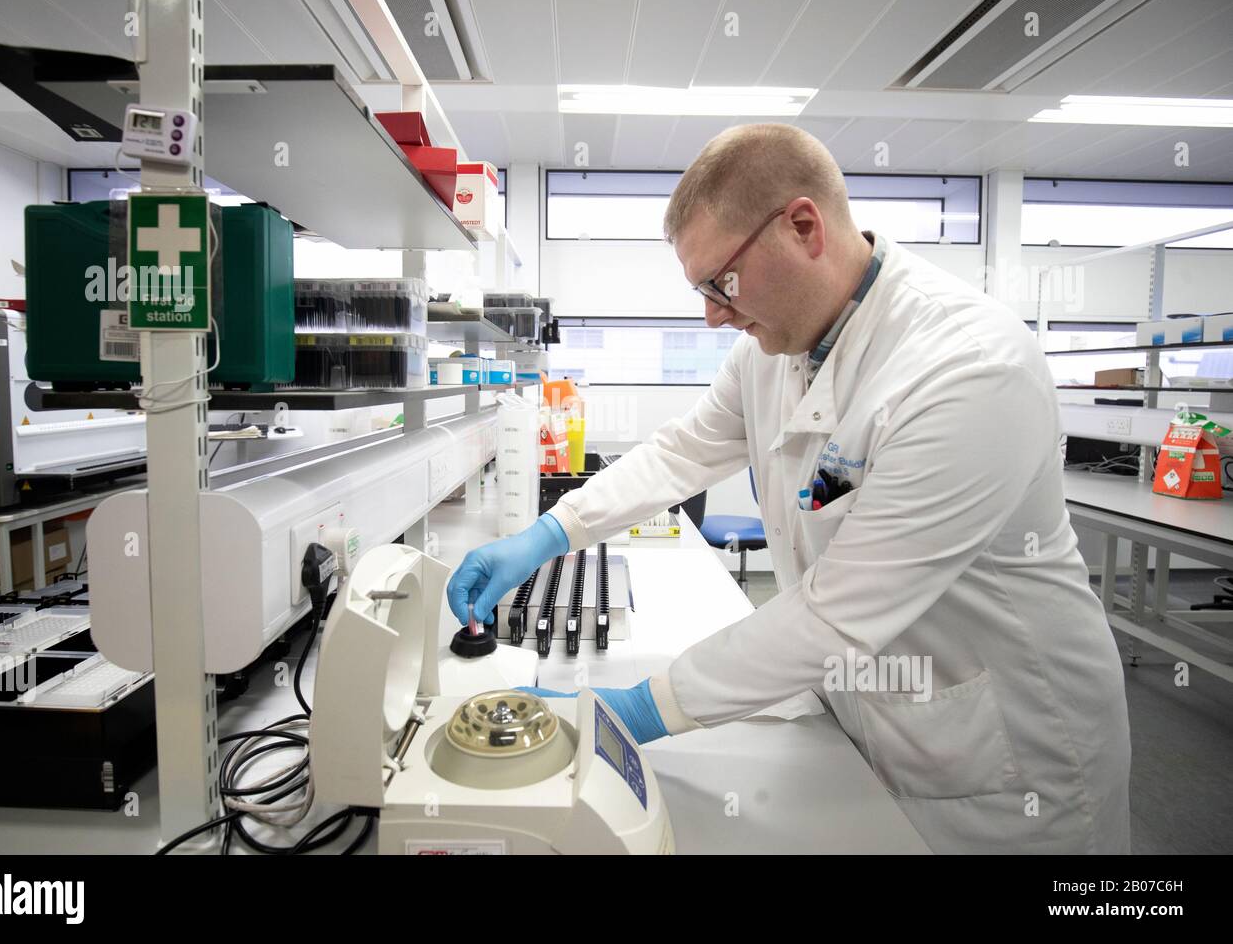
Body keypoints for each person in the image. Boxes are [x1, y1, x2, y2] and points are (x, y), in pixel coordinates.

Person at [447, 124, 1131, 854]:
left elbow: (837, 612)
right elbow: (683, 452)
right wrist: (551, 534)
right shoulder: (772, 351)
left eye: (722, 282)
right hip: (861, 714)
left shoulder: (970, 367)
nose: (712, 313)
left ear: (804, 227)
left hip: (1009, 758)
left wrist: (644, 708)